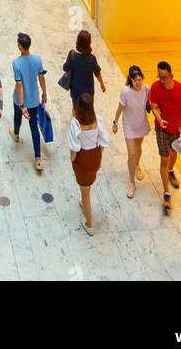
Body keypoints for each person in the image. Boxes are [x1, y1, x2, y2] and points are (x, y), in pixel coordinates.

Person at [149, 60, 181, 213]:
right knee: (164, 158)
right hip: (162, 128)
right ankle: (166, 192)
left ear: (171, 75)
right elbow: (153, 106)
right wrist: (160, 119)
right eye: (159, 77)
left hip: (176, 129)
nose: (161, 80)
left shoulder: (180, 88)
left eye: (164, 77)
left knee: (174, 154)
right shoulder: (155, 87)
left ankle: (171, 171)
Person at [68, 92, 110, 234]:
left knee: (85, 193)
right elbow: (104, 141)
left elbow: (74, 149)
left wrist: (73, 162)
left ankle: (89, 224)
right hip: (95, 157)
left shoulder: (75, 125)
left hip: (83, 161)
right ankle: (84, 202)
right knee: (87, 186)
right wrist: (98, 155)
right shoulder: (98, 120)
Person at [9, 32, 48, 174]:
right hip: (34, 100)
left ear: (20, 47)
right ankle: (38, 158)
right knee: (34, 127)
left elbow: (19, 85)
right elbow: (41, 78)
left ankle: (16, 134)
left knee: (17, 116)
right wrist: (44, 93)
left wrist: (21, 104)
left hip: (21, 100)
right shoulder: (37, 60)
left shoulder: (16, 63)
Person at [112, 65, 150, 198]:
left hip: (141, 123)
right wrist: (115, 122)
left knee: (138, 149)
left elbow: (152, 103)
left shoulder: (146, 89)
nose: (138, 82)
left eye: (140, 79)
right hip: (129, 126)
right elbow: (120, 107)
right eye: (135, 80)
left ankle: (137, 165)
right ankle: (132, 182)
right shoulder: (126, 92)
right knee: (131, 153)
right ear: (131, 80)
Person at [62, 29, 106, 104]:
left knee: (76, 110)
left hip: (76, 91)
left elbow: (65, 68)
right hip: (89, 93)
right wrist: (102, 84)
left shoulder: (72, 55)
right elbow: (97, 73)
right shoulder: (92, 58)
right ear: (89, 43)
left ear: (78, 42)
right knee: (89, 112)